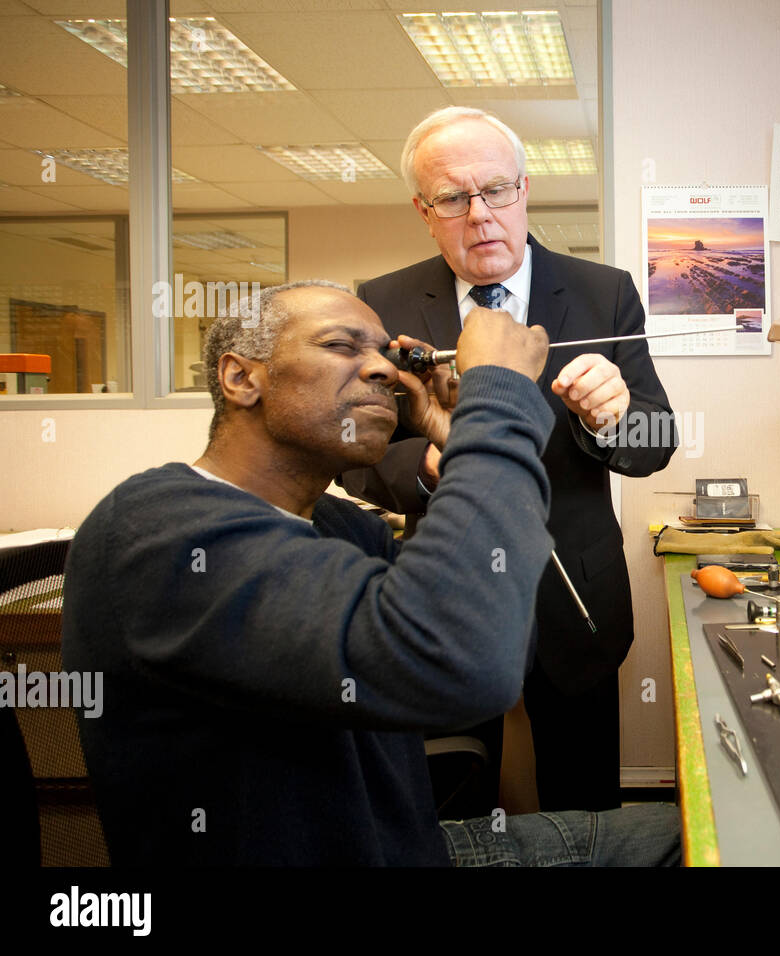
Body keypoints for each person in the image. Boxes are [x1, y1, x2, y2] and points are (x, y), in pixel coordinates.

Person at [60, 280, 679, 866]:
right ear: (241, 377)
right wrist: (499, 393)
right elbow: (464, 664)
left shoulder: (341, 524)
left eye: (384, 354)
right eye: (340, 346)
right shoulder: (161, 530)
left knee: (704, 832)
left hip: (401, 845)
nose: (384, 368)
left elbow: (501, 644)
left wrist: (461, 430)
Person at [339, 107, 677, 813]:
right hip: (443, 591)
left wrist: (612, 420)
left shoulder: (602, 291)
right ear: (424, 212)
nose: (481, 215)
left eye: (496, 190)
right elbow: (354, 457)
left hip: (576, 592)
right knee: (444, 803)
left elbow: (657, 443)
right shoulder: (383, 301)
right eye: (454, 199)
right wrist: (433, 464)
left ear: (525, 190)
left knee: (584, 808)